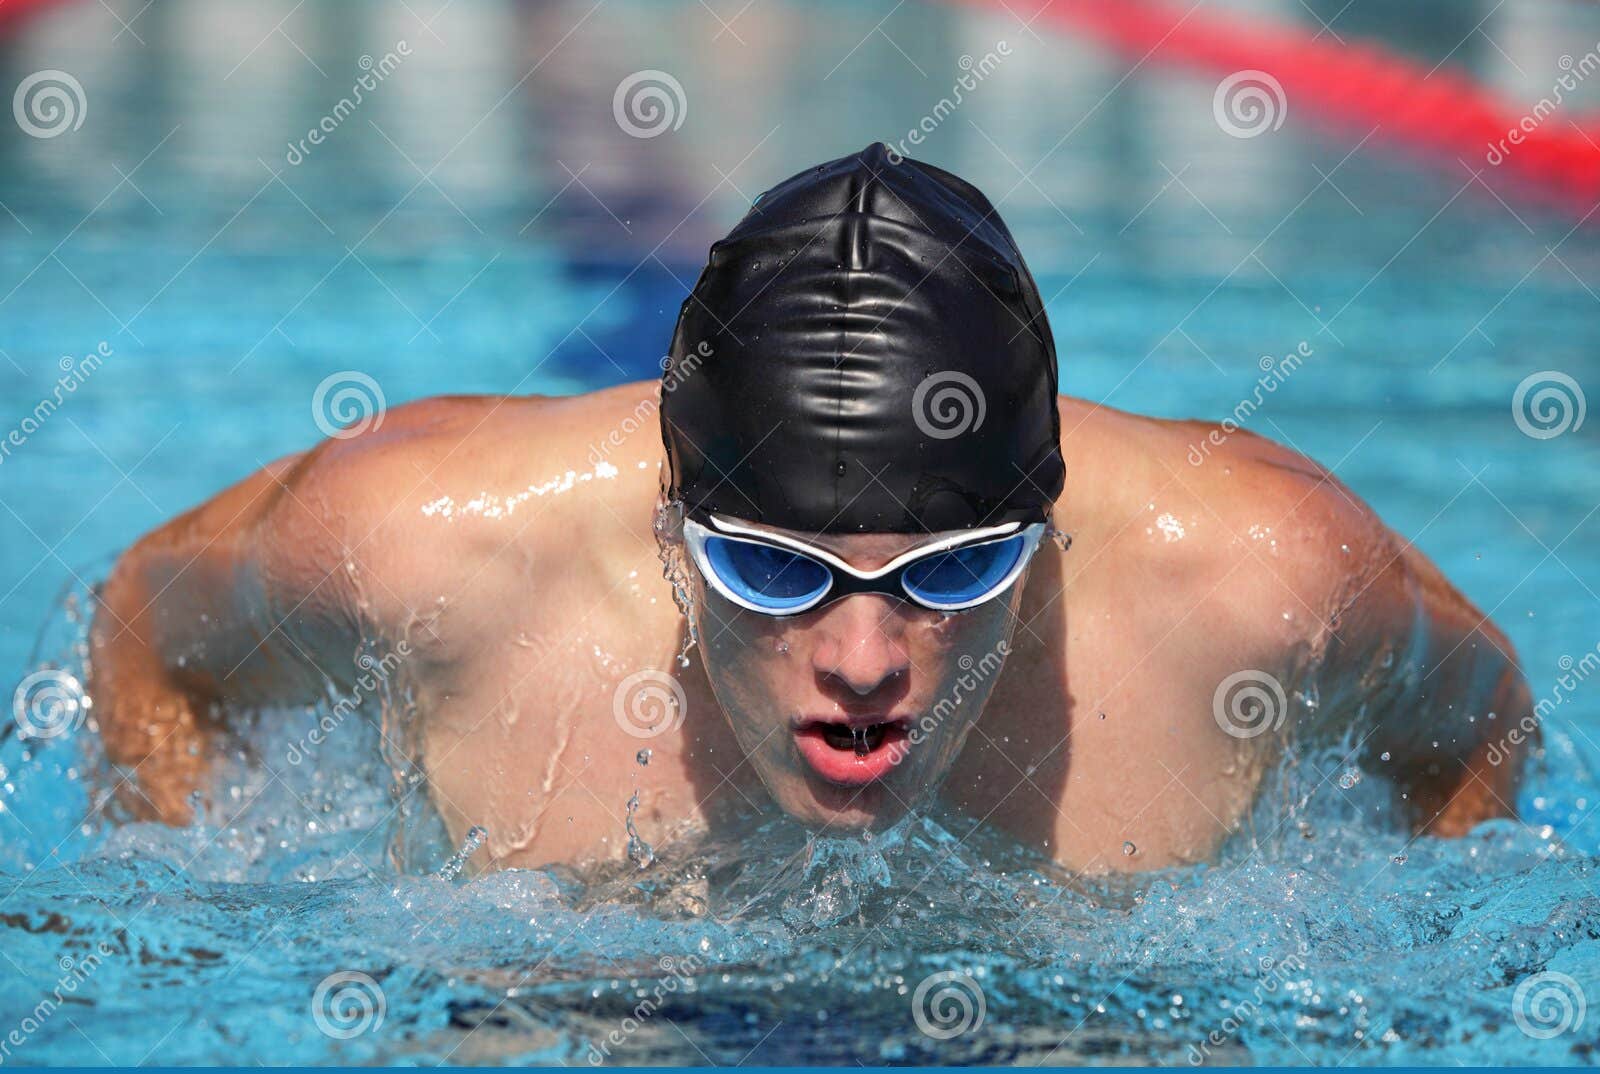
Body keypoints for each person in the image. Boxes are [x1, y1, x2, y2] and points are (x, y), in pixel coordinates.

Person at [87, 144, 1531, 873]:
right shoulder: (432, 546)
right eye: (775, 574)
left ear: (1048, 527)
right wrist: (178, 925)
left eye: (953, 571)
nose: (860, 663)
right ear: (673, 530)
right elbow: (148, 626)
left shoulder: (1254, 578)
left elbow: (1475, 721)